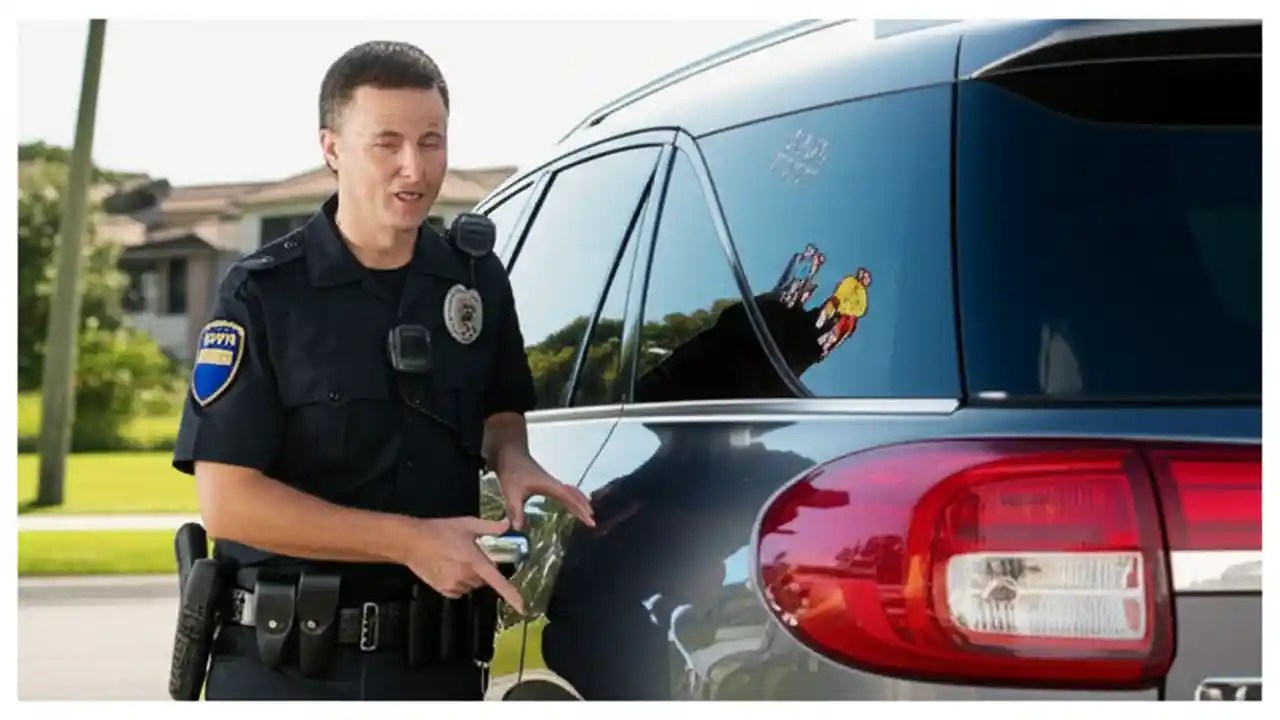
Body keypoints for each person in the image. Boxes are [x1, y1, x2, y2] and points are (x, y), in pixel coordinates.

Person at [171, 40, 594, 701]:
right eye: (386, 142)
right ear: (332, 148)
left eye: (432, 141)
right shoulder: (262, 295)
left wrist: (513, 457)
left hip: (434, 670)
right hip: (286, 671)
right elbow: (229, 503)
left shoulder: (475, 280)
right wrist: (409, 542)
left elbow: (498, 412)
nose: (413, 167)